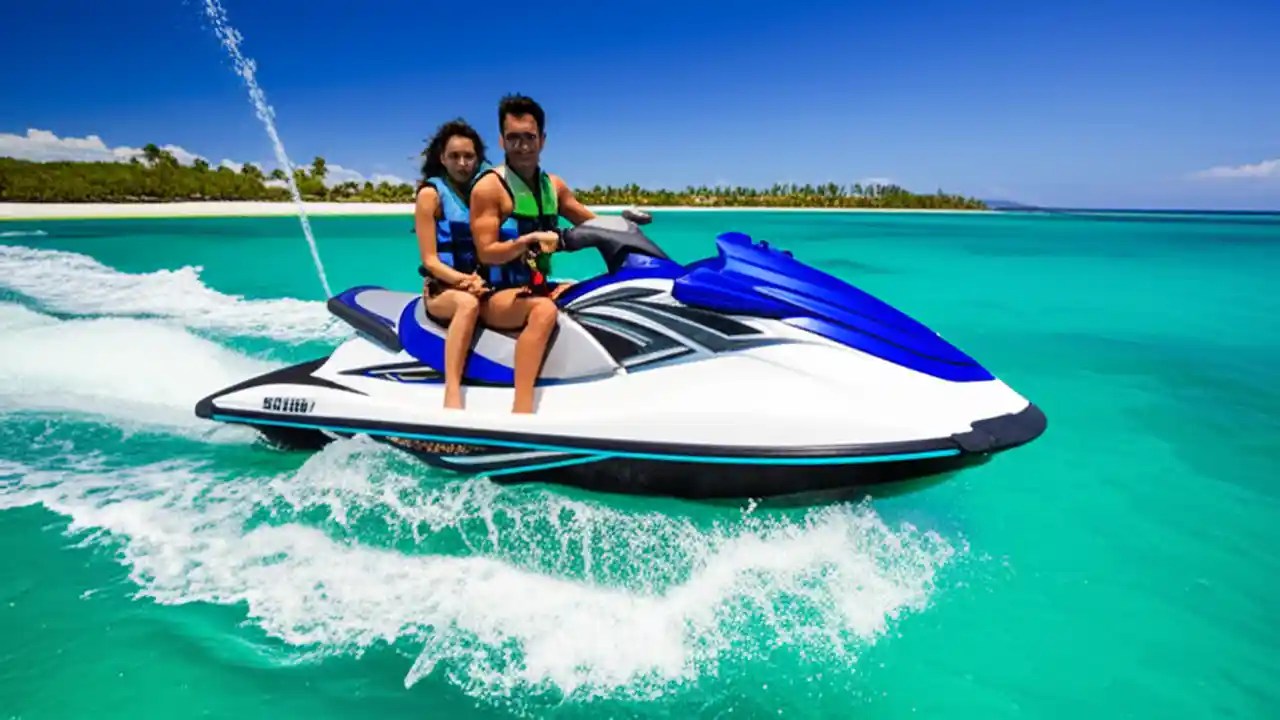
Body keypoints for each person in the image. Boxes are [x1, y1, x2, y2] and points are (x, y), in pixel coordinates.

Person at [469, 93, 597, 413]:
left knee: (594, 292)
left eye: (529, 137)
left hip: (535, 285)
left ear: (542, 140)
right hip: (493, 294)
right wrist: (526, 242)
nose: (522, 146)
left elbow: (591, 223)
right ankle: (522, 406)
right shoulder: (489, 188)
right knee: (543, 312)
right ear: (501, 140)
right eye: (514, 138)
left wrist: (624, 224)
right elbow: (486, 253)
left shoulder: (553, 186)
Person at [414, 118, 492, 410]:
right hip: (442, 290)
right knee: (467, 305)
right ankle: (452, 390)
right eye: (455, 156)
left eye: (469, 156)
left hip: (480, 282)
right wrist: (464, 281)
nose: (463, 163)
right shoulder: (430, 195)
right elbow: (430, 260)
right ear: (442, 159)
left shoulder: (483, 192)